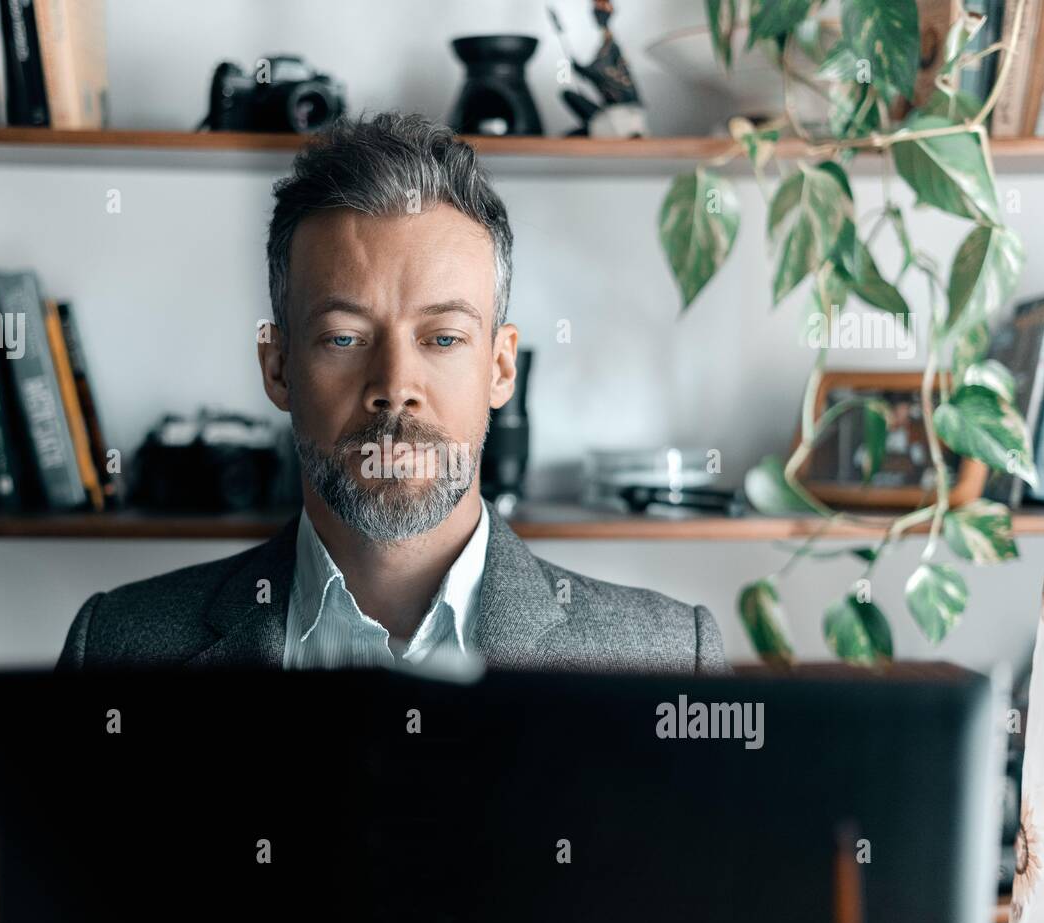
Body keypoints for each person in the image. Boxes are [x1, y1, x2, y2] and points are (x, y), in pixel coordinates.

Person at [58, 112, 726, 677]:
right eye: (345, 339)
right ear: (279, 368)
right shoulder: (117, 650)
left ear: (501, 368)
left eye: (441, 339)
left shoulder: (666, 660)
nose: (395, 388)